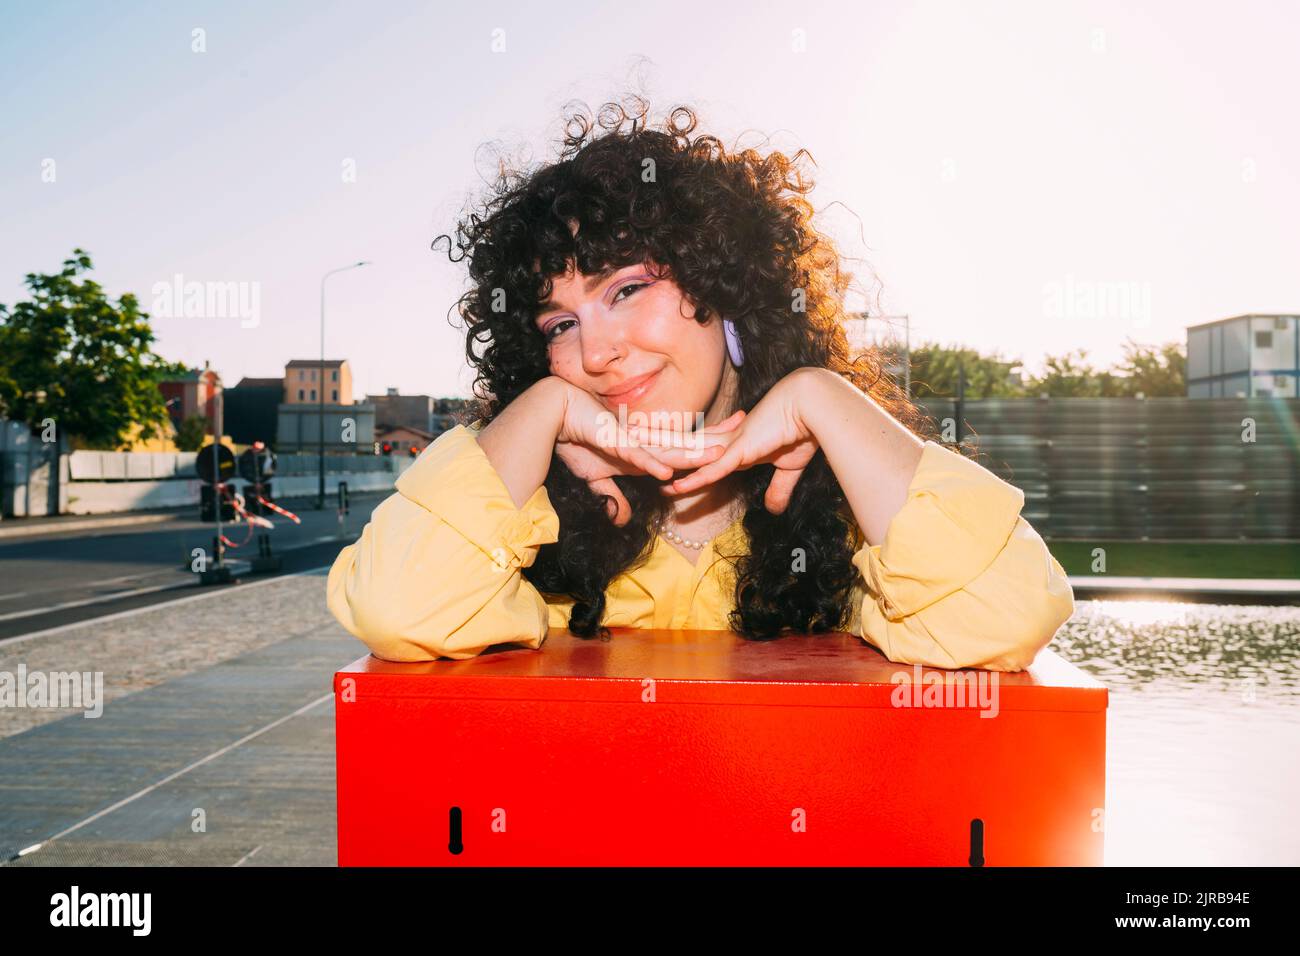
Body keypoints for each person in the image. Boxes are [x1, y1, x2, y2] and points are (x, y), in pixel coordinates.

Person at [326, 97, 1074, 671]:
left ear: (728, 290)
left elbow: (1003, 617)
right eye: (559, 325)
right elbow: (399, 608)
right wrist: (544, 410)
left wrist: (823, 397)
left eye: (625, 290)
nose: (596, 352)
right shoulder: (523, 521)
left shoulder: (854, 518)